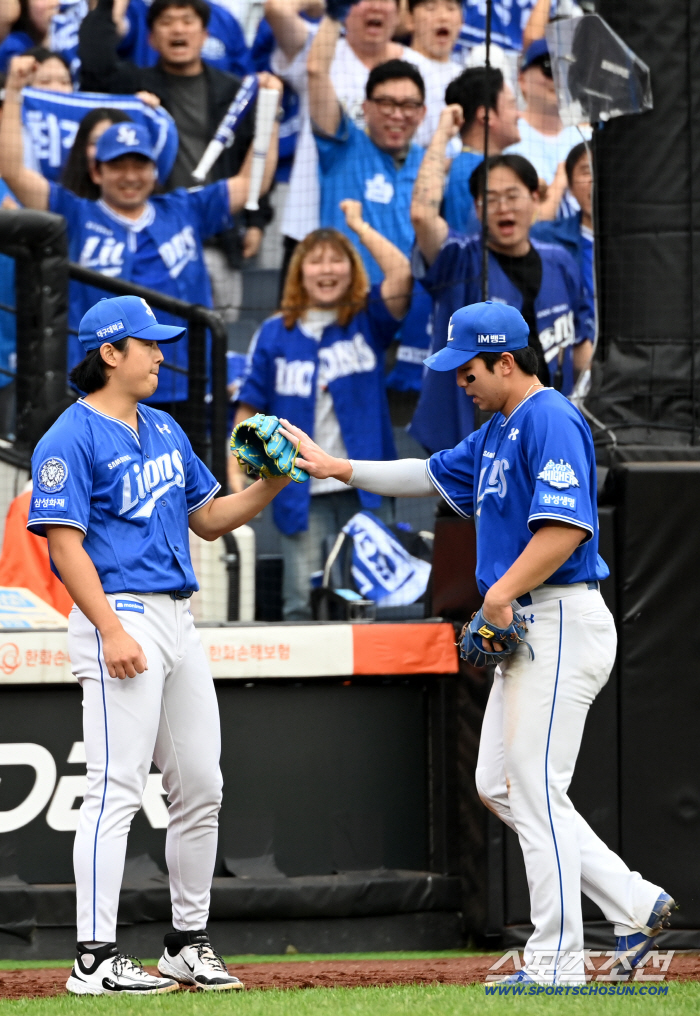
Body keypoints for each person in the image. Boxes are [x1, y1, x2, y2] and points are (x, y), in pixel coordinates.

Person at [278, 299, 676, 985]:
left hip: (558, 619)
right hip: (531, 626)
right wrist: (338, 468)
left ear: (505, 360)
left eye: (468, 371)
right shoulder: (497, 430)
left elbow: (566, 530)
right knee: (500, 783)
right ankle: (635, 903)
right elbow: (425, 475)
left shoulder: (549, 416)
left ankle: (557, 963)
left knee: (534, 787)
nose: (459, 383)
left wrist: (497, 595)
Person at [27, 294, 291, 994]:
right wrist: (110, 628)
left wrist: (269, 485)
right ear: (110, 353)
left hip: (178, 617)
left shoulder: (165, 428)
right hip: (119, 612)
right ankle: (92, 959)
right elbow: (64, 547)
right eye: (148, 344)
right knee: (113, 788)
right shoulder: (69, 437)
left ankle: (187, 943)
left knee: (201, 784)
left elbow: (207, 519)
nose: (160, 354)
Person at [0, 54, 280, 404]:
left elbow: (254, 180)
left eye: (140, 165)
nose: (130, 176)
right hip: (103, 391)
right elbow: (12, 170)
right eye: (118, 165)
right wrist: (13, 92)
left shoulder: (185, 207)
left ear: (155, 171)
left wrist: (270, 111)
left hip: (184, 384)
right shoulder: (73, 213)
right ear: (97, 171)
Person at [235, 206, 411, 619]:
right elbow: (248, 409)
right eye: (316, 261)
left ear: (352, 269)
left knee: (376, 595)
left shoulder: (367, 318)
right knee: (300, 601)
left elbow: (401, 274)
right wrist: (240, 487)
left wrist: (359, 228)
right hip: (300, 491)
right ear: (300, 273)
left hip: (364, 483)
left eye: (337, 260)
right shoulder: (275, 332)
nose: (327, 269)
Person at [409, 121, 593, 452]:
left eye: (512, 196)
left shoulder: (561, 261)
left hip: (543, 439)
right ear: (478, 209)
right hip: (465, 445)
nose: (503, 207)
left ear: (535, 199)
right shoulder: (459, 257)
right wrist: (441, 134)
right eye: (491, 199)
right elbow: (423, 215)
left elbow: (582, 346)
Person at [78, 0, 271, 277]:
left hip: (217, 236)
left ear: (205, 35)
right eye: (166, 22)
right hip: (152, 235)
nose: (177, 29)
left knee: (218, 320)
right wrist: (109, 7)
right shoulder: (135, 87)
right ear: (151, 39)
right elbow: (95, 66)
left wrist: (256, 221)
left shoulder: (232, 92)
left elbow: (249, 154)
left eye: (187, 21)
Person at [264, 0, 409, 280]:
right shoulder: (320, 45)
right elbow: (276, 9)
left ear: (402, 11)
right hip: (308, 223)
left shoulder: (416, 68)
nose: (375, 6)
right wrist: (325, 6)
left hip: (384, 229)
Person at [309, 57, 425, 283]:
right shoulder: (341, 146)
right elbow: (316, 70)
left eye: (408, 105)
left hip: (409, 299)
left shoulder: (428, 164)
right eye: (386, 103)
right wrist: (334, 20)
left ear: (422, 112)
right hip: (348, 296)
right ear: (366, 108)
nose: (397, 114)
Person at [504, 39, 588, 197]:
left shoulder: (587, 139)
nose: (558, 79)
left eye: (566, 69)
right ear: (521, 79)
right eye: (548, 68)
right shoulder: (507, 139)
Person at [442, 65, 520, 235]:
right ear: (485, 116)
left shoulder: (466, 165)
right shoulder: (472, 172)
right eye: (512, 105)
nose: (518, 114)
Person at [531, 142, 595, 344]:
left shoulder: (640, 240)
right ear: (571, 185)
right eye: (586, 171)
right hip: (570, 348)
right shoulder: (547, 237)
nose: (595, 179)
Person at [401, 0, 462, 147]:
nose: (443, 17)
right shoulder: (400, 65)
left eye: (451, 8)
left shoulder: (464, 76)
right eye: (430, 8)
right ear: (410, 19)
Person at [60, 107, 132, 198]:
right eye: (97, 142)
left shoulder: (154, 206)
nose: (107, 151)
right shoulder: (63, 204)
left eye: (116, 142)